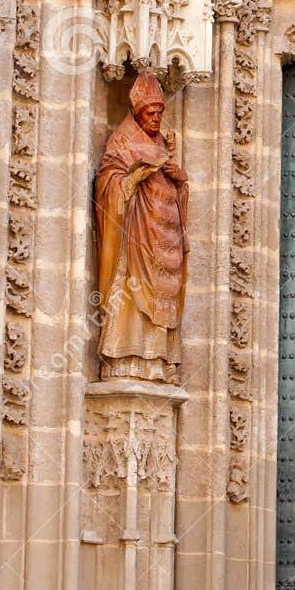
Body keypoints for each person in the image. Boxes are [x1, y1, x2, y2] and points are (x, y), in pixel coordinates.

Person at [94, 72, 189, 383]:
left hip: (163, 239)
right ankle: (127, 360)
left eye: (160, 112)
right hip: (134, 236)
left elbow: (176, 189)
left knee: (162, 296)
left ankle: (159, 362)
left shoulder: (164, 143)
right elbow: (107, 185)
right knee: (131, 294)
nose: (156, 118)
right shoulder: (122, 140)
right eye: (150, 113)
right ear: (137, 113)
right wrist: (134, 178)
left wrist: (179, 178)